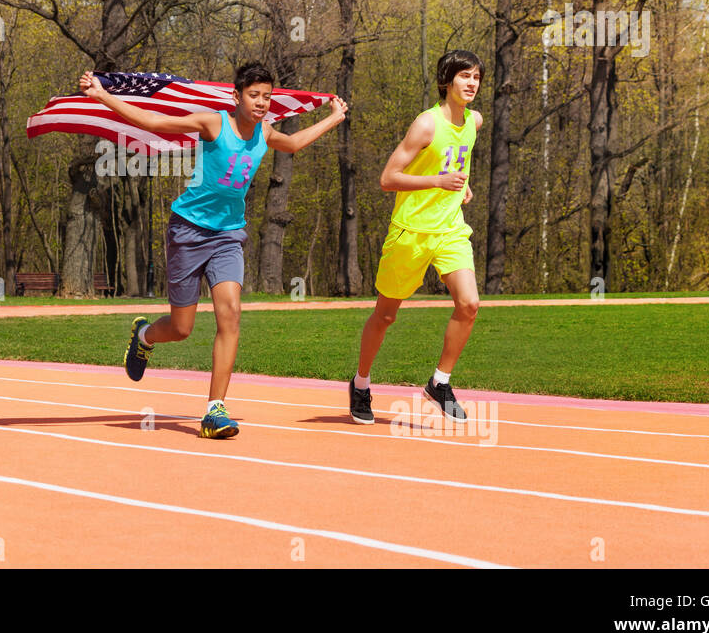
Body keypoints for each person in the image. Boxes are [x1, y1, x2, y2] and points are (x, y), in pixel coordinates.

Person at [82, 63, 347, 438]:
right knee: (181, 328)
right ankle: (144, 336)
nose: (261, 103)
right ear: (236, 97)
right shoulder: (214, 124)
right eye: (254, 95)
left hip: (228, 236)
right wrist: (103, 96)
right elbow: (155, 124)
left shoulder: (265, 133)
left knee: (231, 313)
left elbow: (294, 143)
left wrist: (335, 117)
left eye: (267, 97)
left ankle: (214, 409)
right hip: (188, 231)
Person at [350, 49, 483, 425]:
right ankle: (361, 382)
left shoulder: (474, 121)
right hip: (411, 232)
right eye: (464, 76)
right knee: (386, 315)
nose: (471, 83)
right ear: (447, 81)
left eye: (476, 77)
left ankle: (439, 383)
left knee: (469, 304)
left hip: (450, 229)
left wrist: (462, 184)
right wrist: (438, 181)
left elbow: (458, 157)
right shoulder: (425, 125)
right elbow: (388, 178)